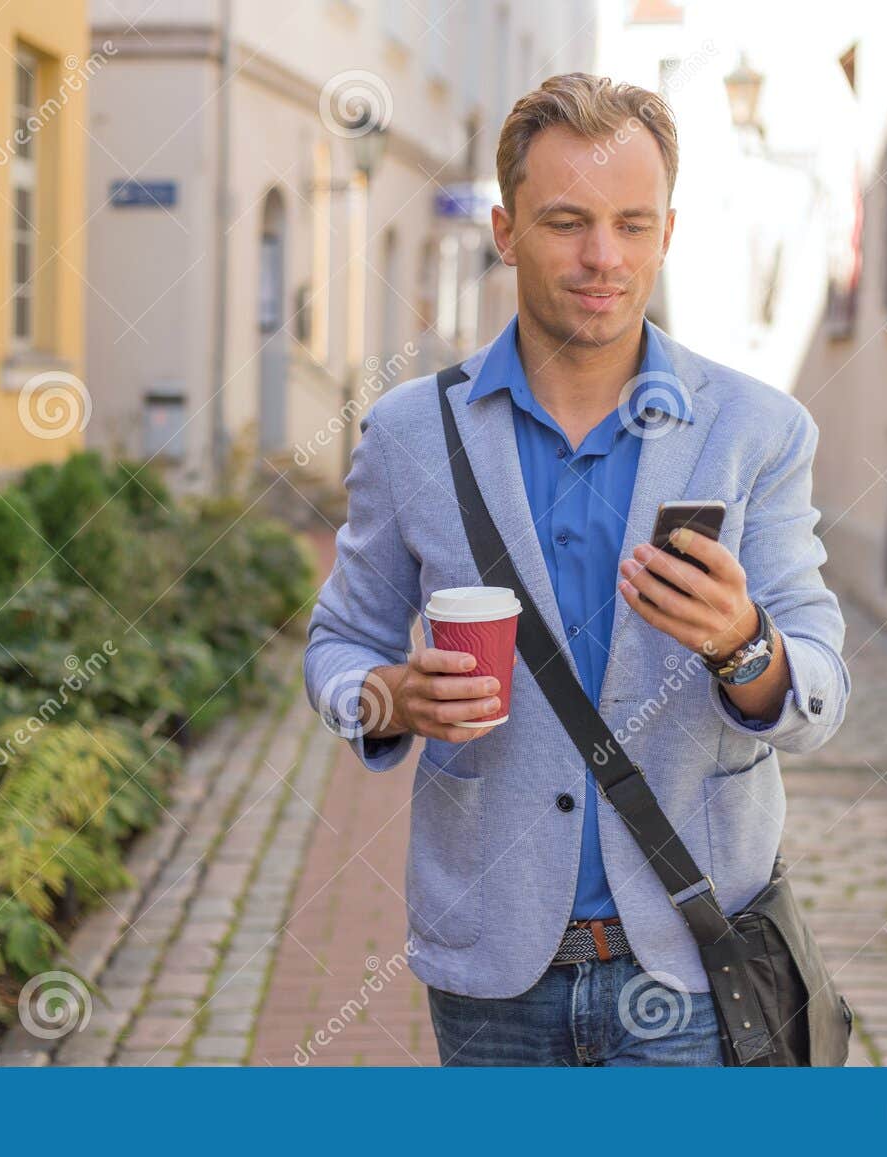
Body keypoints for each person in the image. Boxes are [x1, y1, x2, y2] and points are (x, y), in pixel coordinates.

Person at [305, 72, 849, 1066]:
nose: (603, 257)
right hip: (493, 968)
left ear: (667, 232)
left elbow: (815, 690)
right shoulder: (409, 432)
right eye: (566, 223)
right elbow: (341, 639)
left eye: (632, 225)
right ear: (506, 229)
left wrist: (745, 643)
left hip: (690, 957)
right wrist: (385, 696)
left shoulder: (755, 430)